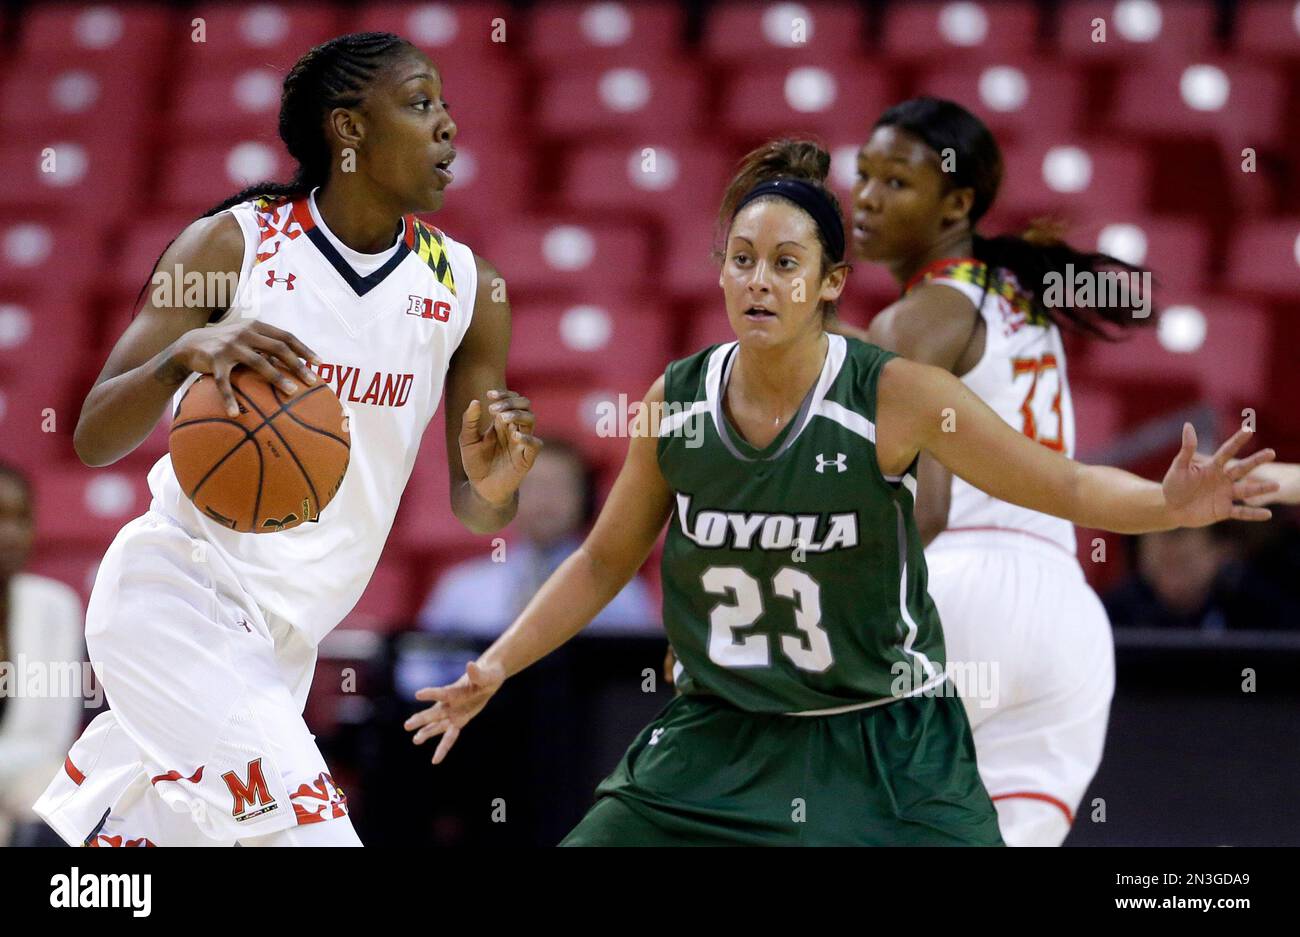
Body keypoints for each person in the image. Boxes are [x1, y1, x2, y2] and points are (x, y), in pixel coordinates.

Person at [403, 139, 1277, 846]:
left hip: (886, 737)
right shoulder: (677, 399)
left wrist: (1175, 504)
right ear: (720, 274)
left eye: (786, 263)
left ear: (828, 285)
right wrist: (495, 665)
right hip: (719, 733)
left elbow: (1067, 482)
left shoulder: (894, 394)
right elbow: (601, 559)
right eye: (742, 260)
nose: (759, 280)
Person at [33, 32, 540, 848]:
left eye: (446, 104)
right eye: (419, 104)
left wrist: (495, 479)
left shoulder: (466, 288)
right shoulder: (234, 246)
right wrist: (179, 357)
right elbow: (93, 435)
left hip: (282, 642)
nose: (447, 124)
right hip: (175, 598)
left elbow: (481, 512)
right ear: (349, 129)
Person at [418, 438, 656, 637]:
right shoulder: (461, 588)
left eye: (559, 487)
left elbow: (637, 675)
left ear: (586, 499)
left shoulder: (619, 592)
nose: (545, 501)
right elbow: (416, 672)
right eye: (532, 486)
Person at [0, 463, 86, 846]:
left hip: (30, 775)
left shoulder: (54, 605)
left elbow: (54, 736)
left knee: (68, 803)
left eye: (21, 518)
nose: (10, 534)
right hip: (18, 772)